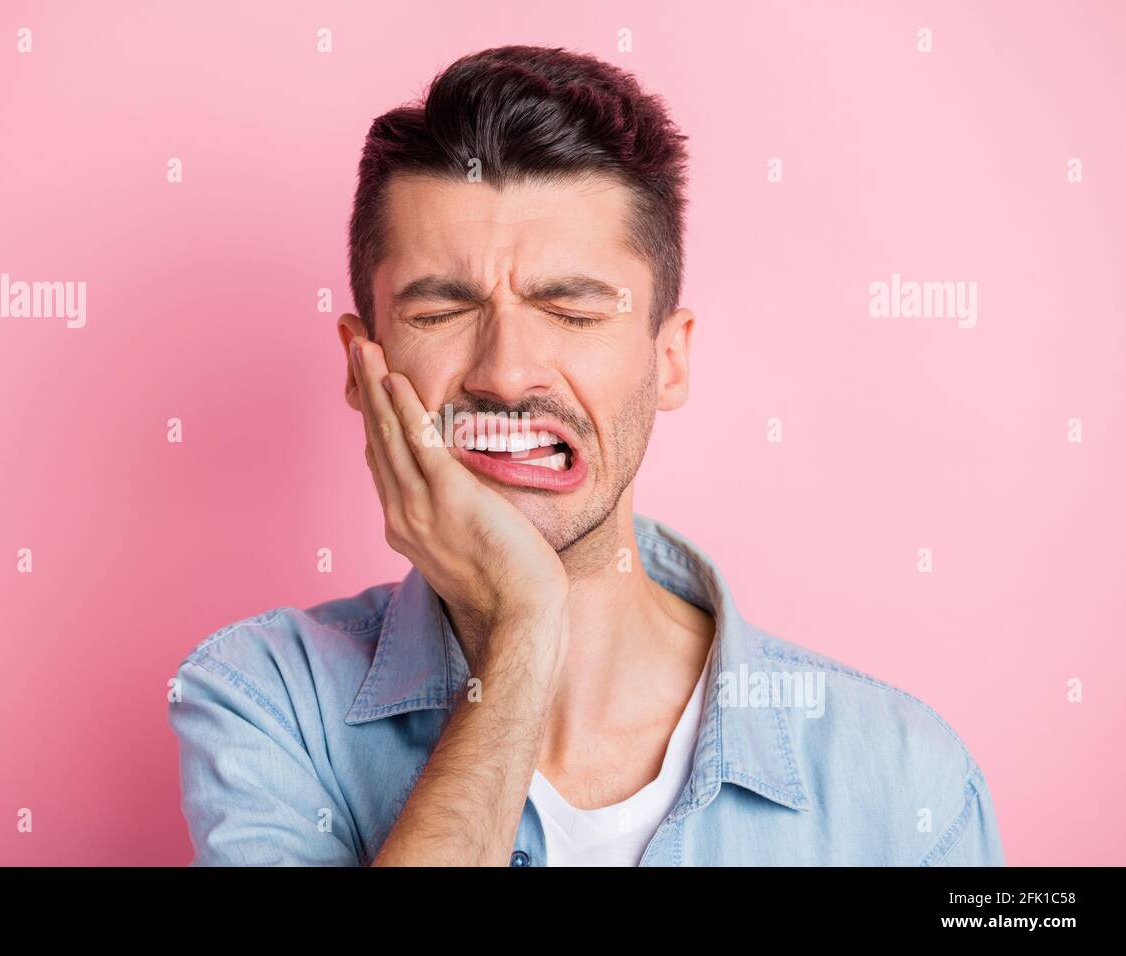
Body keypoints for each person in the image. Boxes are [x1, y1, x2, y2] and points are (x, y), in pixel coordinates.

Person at [168, 45, 1005, 867]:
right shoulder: (263, 700)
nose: (504, 374)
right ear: (362, 363)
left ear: (668, 360)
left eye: (570, 310)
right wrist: (527, 624)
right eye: (441, 311)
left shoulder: (906, 785)